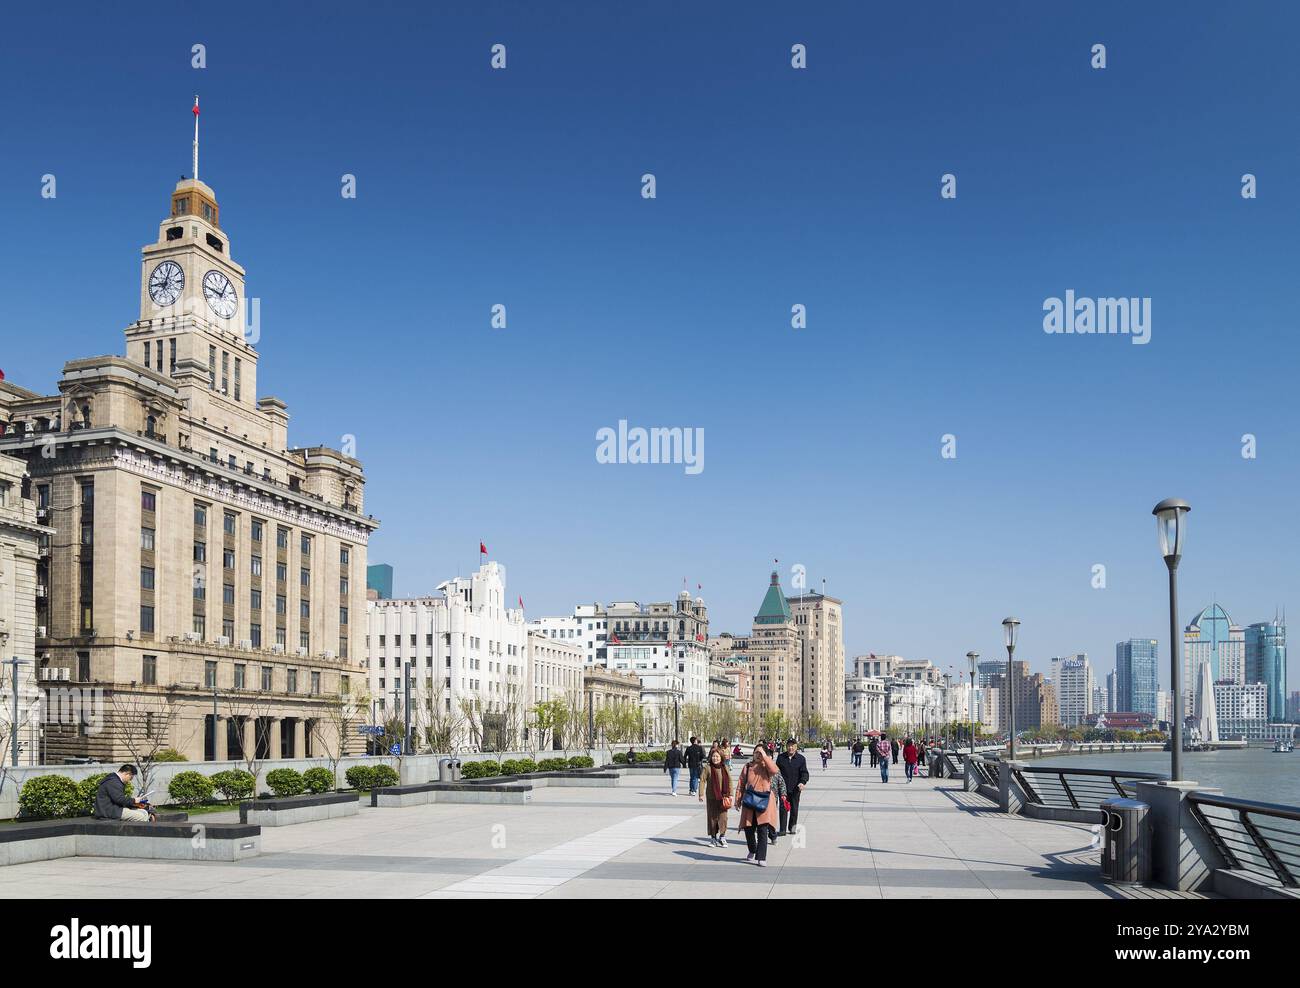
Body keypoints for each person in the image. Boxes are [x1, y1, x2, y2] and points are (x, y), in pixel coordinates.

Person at [736, 744, 779, 866]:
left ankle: (761, 857)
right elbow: (741, 783)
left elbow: (775, 770)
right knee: (748, 829)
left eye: (760, 753)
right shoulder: (748, 766)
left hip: (764, 802)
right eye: (756, 752)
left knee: (762, 830)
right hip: (749, 800)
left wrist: (765, 757)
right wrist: (738, 800)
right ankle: (752, 849)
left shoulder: (767, 766)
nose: (758, 755)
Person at [699, 746, 732, 846]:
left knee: (723, 817)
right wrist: (701, 794)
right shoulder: (707, 768)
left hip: (724, 797)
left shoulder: (725, 767)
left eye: (717, 756)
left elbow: (730, 781)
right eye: (713, 756)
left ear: (721, 757)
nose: (715, 758)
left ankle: (722, 836)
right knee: (712, 817)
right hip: (712, 797)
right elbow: (702, 780)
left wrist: (731, 794)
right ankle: (713, 837)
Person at [776, 738, 809, 836]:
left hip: (795, 788)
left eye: (792, 746)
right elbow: (776, 772)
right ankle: (782, 829)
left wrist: (802, 782)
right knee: (783, 809)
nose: (790, 748)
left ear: (796, 747)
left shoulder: (801, 759)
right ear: (786, 747)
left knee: (794, 809)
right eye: (789, 745)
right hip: (783, 789)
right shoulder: (781, 758)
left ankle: (792, 828)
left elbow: (804, 773)